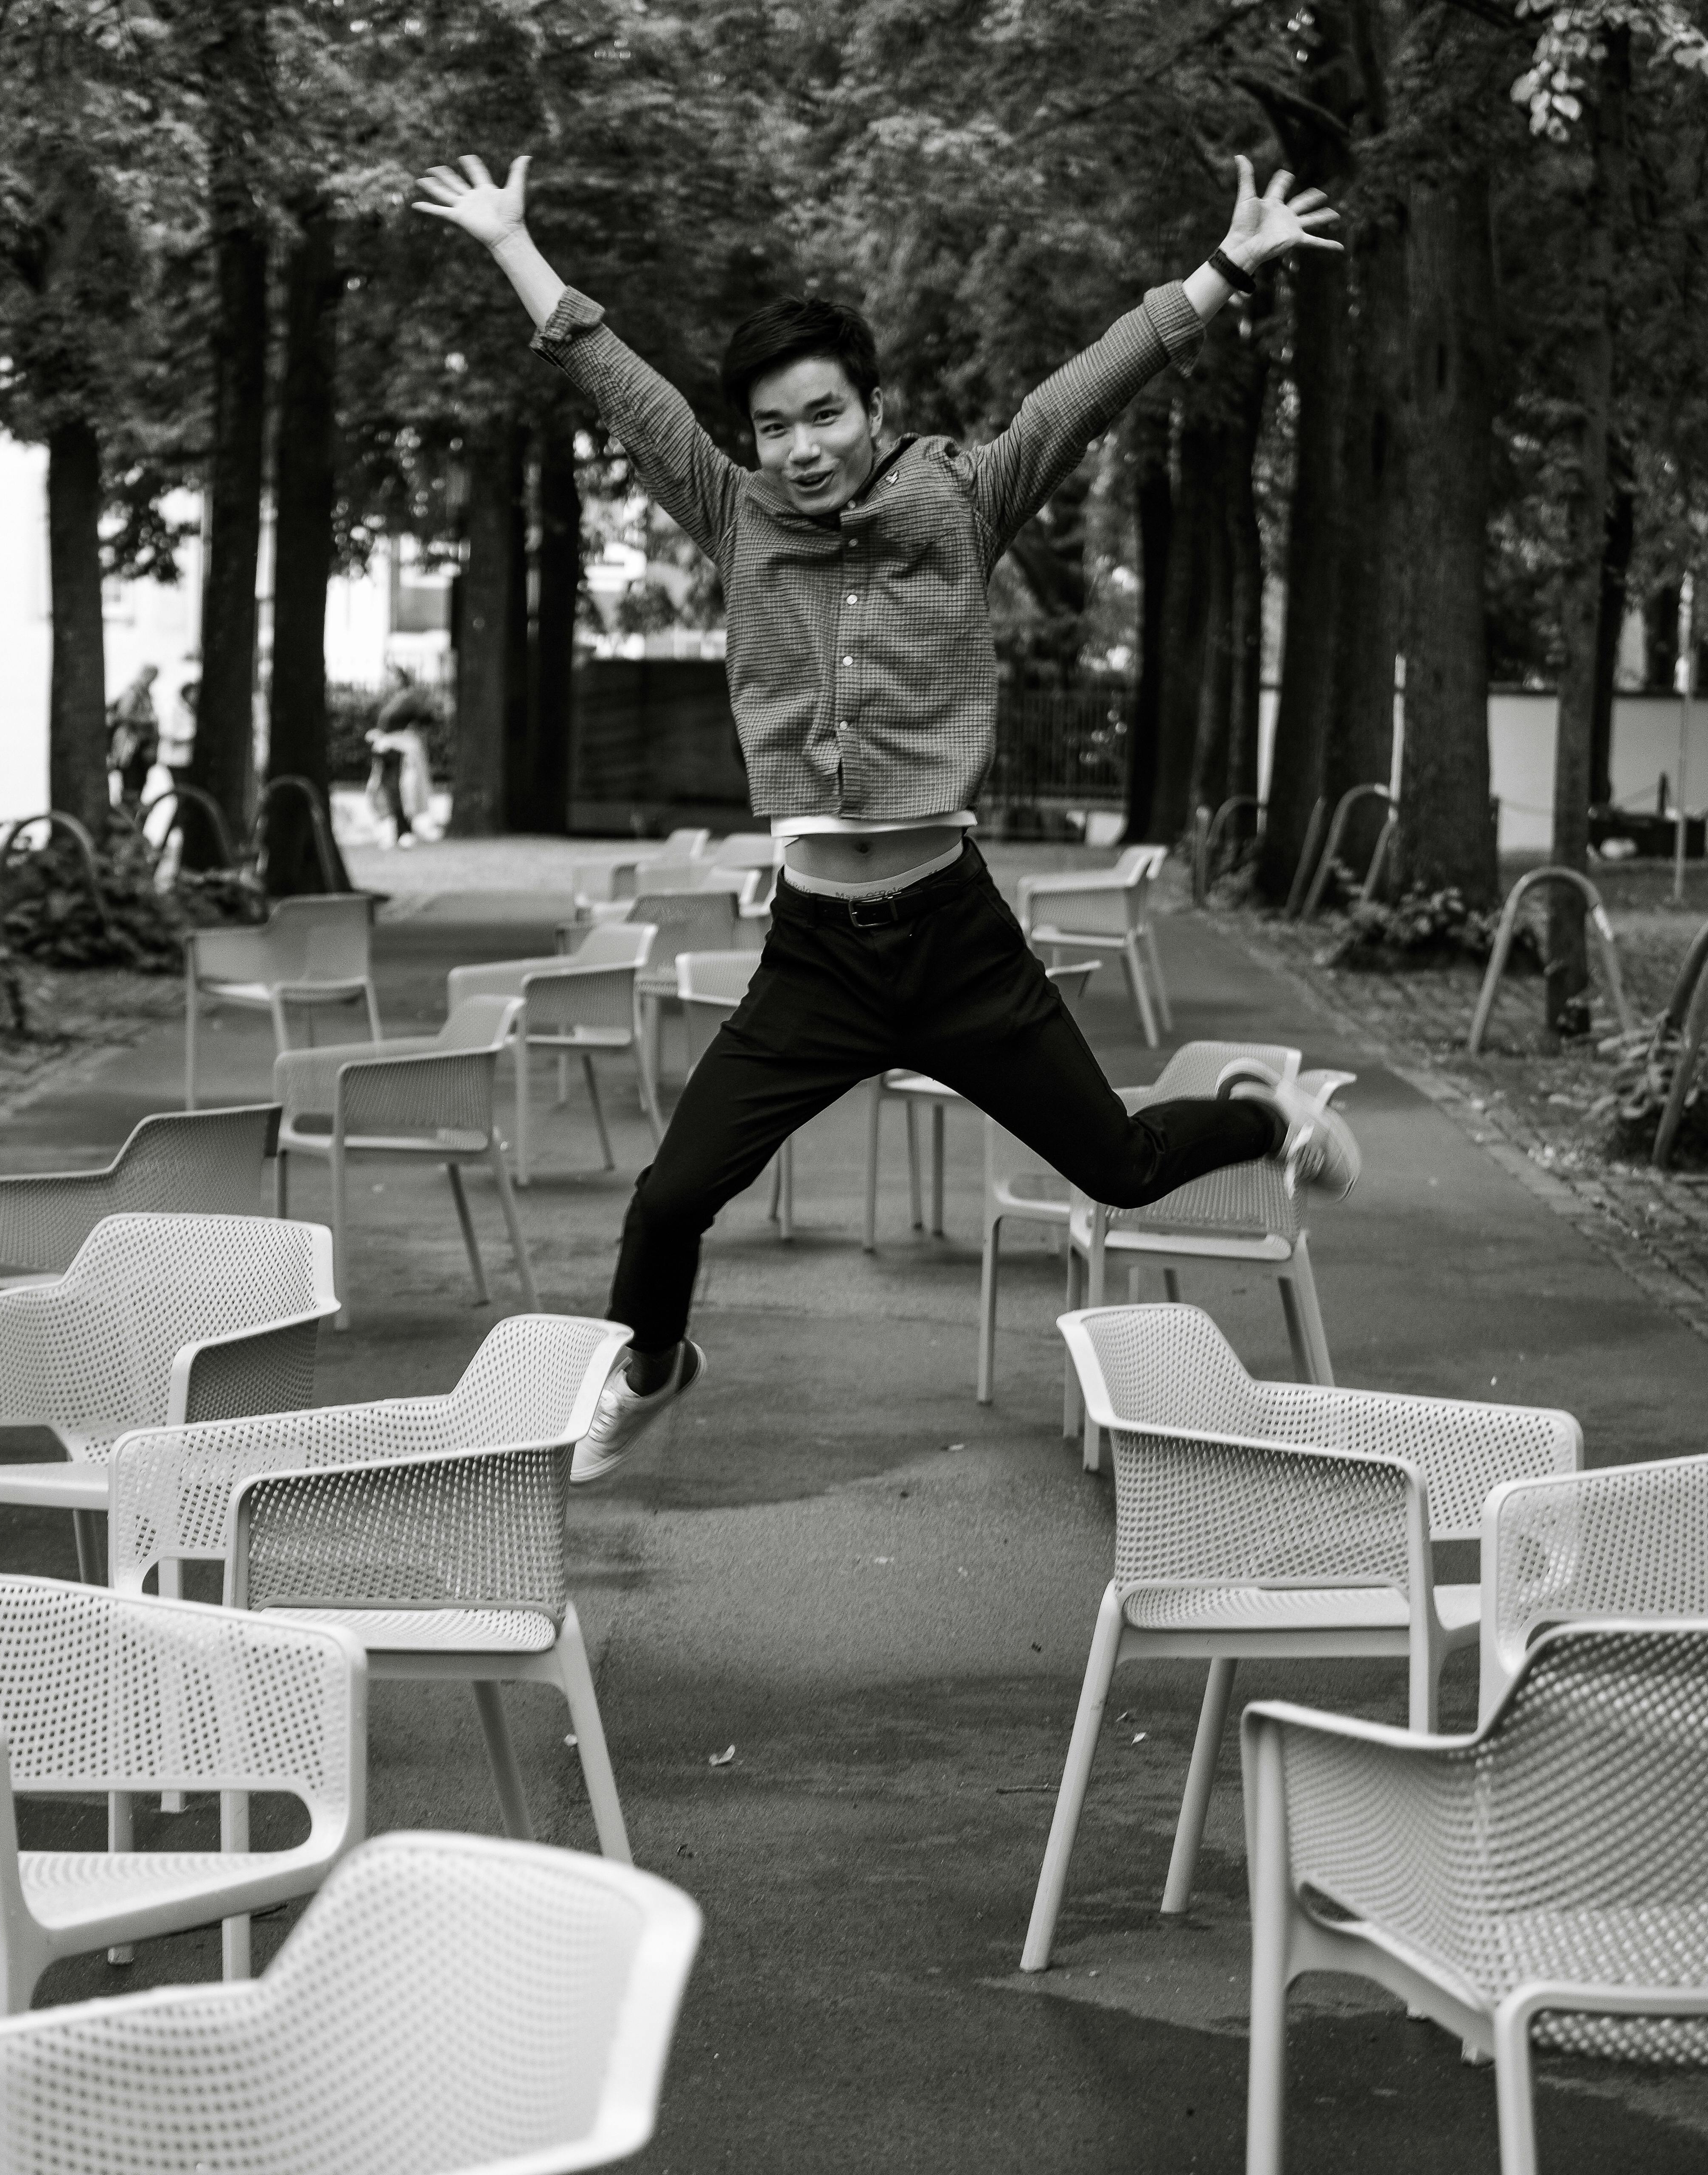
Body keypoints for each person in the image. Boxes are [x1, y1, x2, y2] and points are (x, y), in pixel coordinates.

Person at [417, 149, 1351, 1483]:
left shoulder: (963, 498)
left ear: (870, 407)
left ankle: (1260, 1120)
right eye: (774, 427)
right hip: (817, 957)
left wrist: (1219, 271)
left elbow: (1086, 390)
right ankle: (655, 1366)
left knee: (1128, 1167)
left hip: (957, 946)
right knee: (671, 1198)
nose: (799, 449)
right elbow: (611, 376)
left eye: (823, 415)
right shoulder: (737, 515)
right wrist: (513, 242)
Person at [366, 664, 442, 846]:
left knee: (401, 791)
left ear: (400, 679)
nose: (386, 681)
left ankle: (404, 831)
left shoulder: (409, 699)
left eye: (390, 677)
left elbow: (427, 718)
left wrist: (403, 736)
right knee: (387, 791)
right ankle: (397, 830)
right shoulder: (393, 700)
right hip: (388, 752)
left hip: (400, 753)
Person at [107, 664, 160, 809]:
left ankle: (132, 810)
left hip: (141, 743)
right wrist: (146, 720)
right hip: (130, 743)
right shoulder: (133, 693)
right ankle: (125, 812)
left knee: (139, 779)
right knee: (131, 777)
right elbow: (123, 715)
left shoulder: (146, 694)